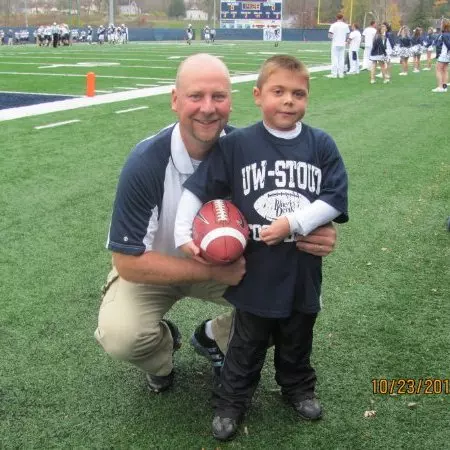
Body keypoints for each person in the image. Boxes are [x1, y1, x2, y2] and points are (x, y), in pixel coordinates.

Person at [95, 54, 339, 395]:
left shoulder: (250, 151)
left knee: (283, 308)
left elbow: (293, 206)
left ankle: (214, 337)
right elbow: (127, 262)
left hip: (231, 264)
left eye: (218, 96)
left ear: (232, 101)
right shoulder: (145, 162)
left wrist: (318, 230)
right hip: (156, 268)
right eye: (196, 96)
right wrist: (210, 273)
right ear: (175, 100)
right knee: (122, 335)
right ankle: (163, 355)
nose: (207, 108)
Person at [174, 55, 348, 441]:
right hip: (256, 269)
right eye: (278, 91)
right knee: (247, 343)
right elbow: (198, 188)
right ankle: (231, 402)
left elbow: (335, 196)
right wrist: (182, 232)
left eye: (298, 93)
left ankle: (298, 387)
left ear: (307, 98)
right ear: (257, 95)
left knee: (298, 337)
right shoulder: (237, 145)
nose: (288, 100)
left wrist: (294, 222)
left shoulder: (320, 144)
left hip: (302, 268)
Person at [328, 13, 350, 78]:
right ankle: (341, 74)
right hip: (342, 44)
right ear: (342, 18)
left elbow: (330, 35)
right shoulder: (345, 25)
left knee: (334, 59)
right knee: (341, 59)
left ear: (337, 18)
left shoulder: (334, 25)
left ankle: (334, 74)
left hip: (335, 44)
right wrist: (346, 41)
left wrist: (333, 38)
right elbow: (348, 35)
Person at [432, 19, 450, 92]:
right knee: (445, 70)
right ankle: (444, 87)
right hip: (447, 55)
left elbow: (448, 45)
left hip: (444, 54)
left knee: (438, 69)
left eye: (441, 24)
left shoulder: (444, 34)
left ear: (443, 25)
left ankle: (440, 87)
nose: (440, 25)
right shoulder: (447, 33)